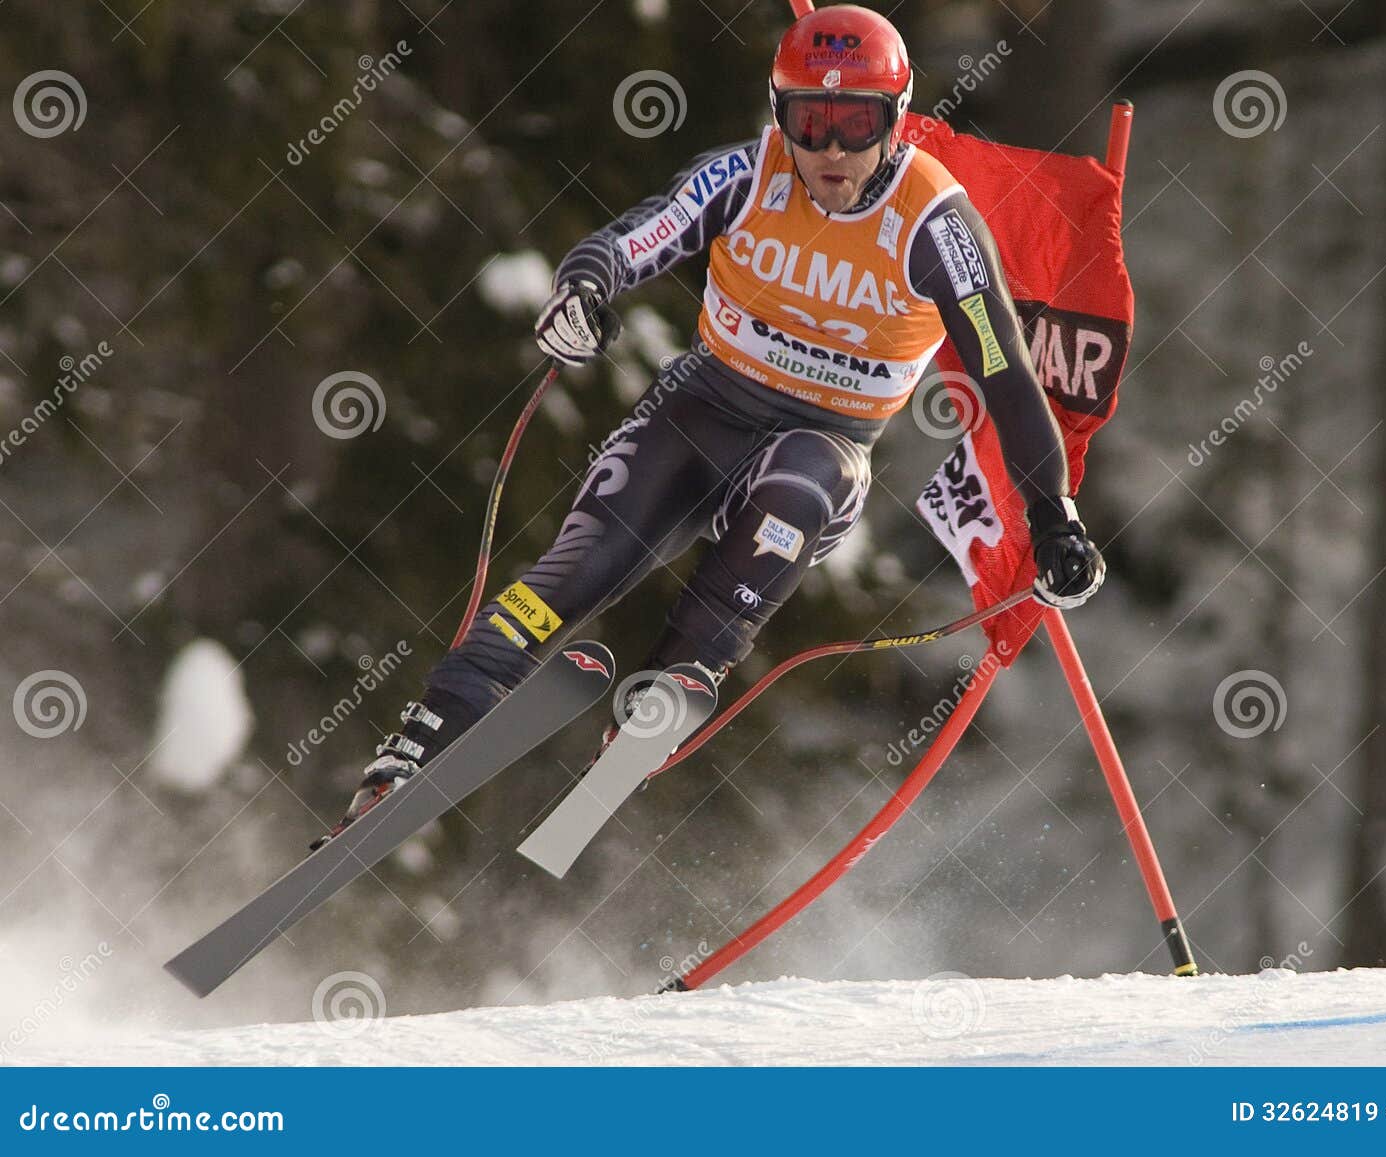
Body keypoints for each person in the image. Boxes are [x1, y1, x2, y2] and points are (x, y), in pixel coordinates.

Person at [324, 4, 1106, 837]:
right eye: (810, 122)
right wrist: (582, 293)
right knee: (573, 574)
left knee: (802, 483)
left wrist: (1053, 514)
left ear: (896, 118)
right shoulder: (746, 175)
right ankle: (421, 747)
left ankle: (675, 681)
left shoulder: (935, 224)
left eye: (856, 124)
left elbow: (1003, 372)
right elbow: (629, 242)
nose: (831, 152)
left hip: (823, 448)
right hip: (700, 415)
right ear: (780, 115)